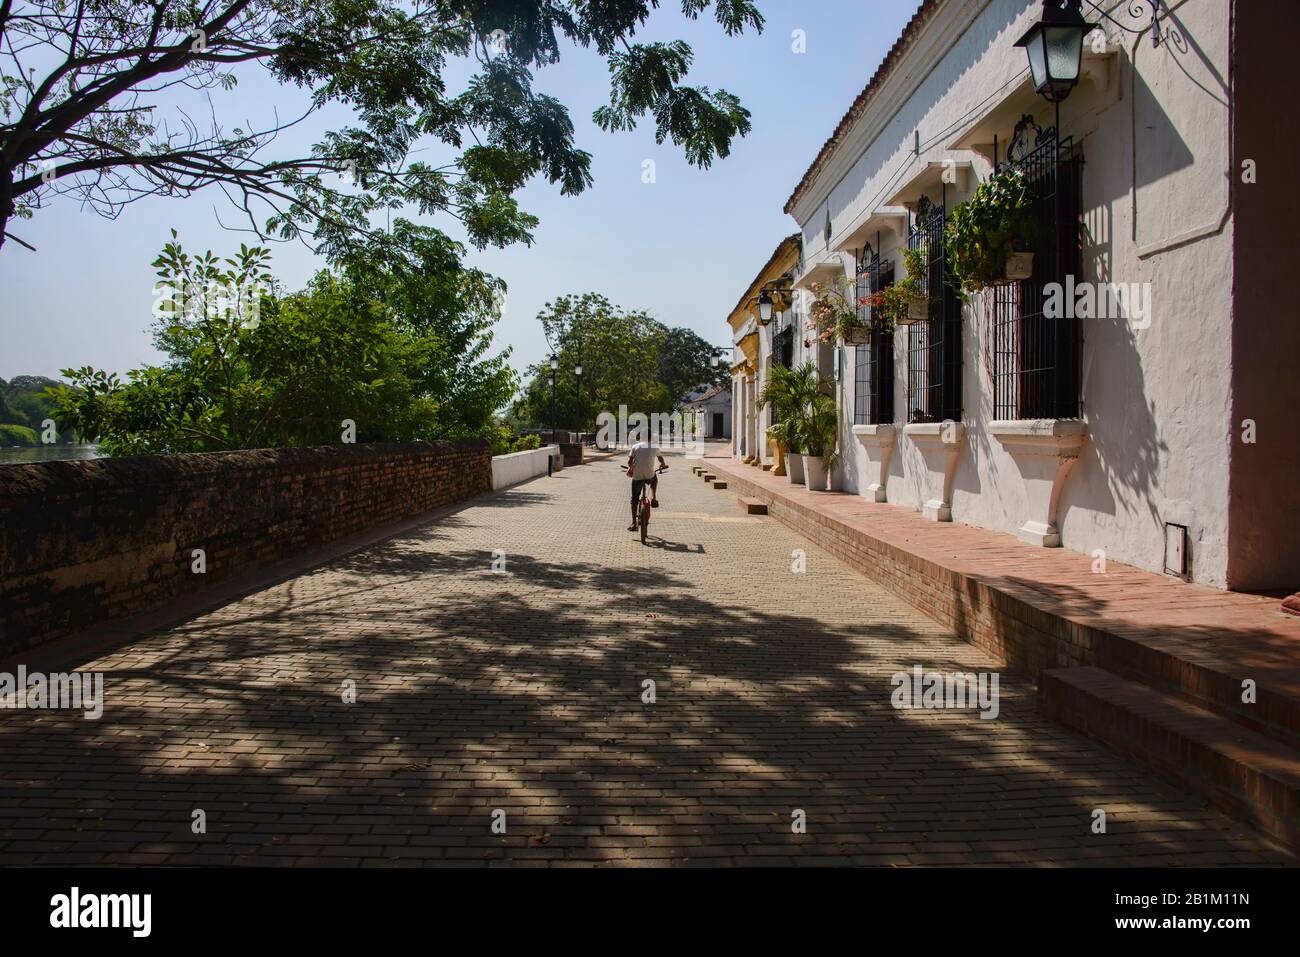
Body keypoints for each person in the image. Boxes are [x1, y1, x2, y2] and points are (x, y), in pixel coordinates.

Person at [627, 440, 668, 531]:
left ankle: (634, 523)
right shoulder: (654, 446)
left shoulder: (635, 447)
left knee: (634, 499)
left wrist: (630, 468)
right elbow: (660, 458)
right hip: (649, 475)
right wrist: (663, 464)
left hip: (637, 476)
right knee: (654, 479)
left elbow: (630, 461)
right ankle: (653, 497)